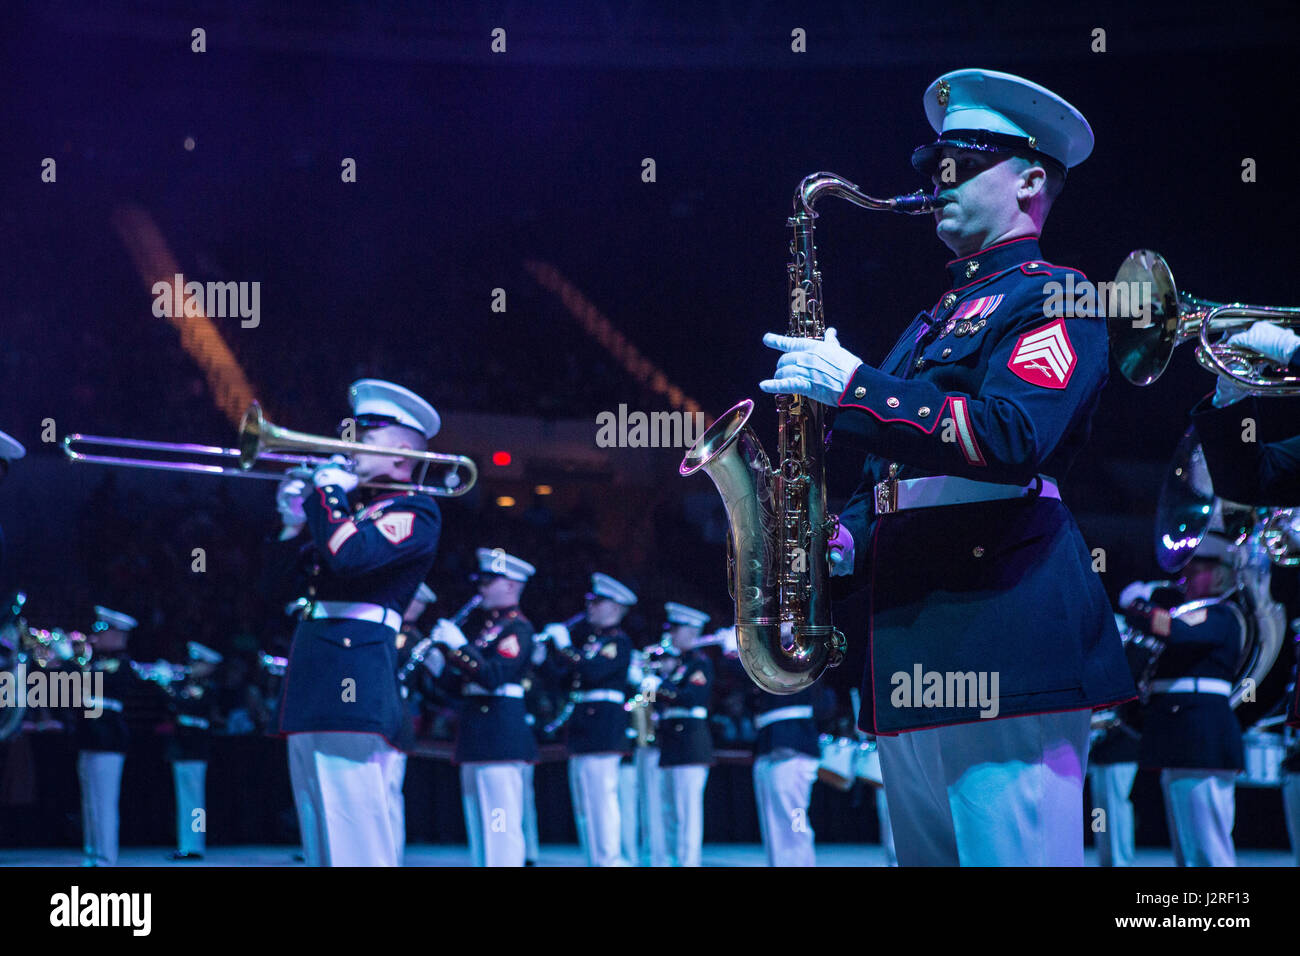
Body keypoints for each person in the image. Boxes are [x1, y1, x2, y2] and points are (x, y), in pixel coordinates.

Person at [760, 68, 1133, 865]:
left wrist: (856, 386)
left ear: (1032, 181)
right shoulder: (931, 320)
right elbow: (884, 482)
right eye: (935, 166)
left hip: (1002, 628)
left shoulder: (1060, 297)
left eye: (962, 165)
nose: (938, 181)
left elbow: (1009, 438)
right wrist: (838, 545)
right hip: (909, 635)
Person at [278, 379, 442, 866]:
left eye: (362, 441)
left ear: (401, 453)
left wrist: (327, 494)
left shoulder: (417, 509)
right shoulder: (355, 509)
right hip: (315, 673)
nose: (347, 447)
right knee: (320, 833)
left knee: (356, 836)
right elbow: (271, 590)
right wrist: (291, 520)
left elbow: (350, 558)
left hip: (354, 674)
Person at [1125, 539, 1245, 867]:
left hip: (1200, 737)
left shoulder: (1222, 614)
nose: (1188, 572)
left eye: (1200, 566)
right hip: (1180, 737)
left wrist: (1138, 606)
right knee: (1189, 853)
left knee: (1208, 852)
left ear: (1222, 575)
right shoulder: (1192, 613)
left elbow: (1174, 632)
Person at [427, 548, 537, 867]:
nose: (482, 588)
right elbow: (463, 685)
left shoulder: (519, 630)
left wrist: (460, 646)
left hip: (500, 735)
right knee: (480, 822)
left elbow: (492, 677)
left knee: (500, 822)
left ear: (512, 586)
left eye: (490, 581)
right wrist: (439, 664)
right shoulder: (488, 629)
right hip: (478, 732)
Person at [541, 573, 637, 866]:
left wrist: (565, 647)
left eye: (599, 602)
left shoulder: (619, 643)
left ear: (617, 608)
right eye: (591, 601)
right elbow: (565, 680)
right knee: (585, 807)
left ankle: (610, 861)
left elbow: (594, 671)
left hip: (603, 731)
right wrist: (543, 655)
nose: (591, 606)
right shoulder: (593, 642)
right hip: (584, 730)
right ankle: (595, 860)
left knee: (601, 803)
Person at [76, 606, 143, 867]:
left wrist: (76, 663)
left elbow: (102, 688)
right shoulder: (96, 663)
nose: (96, 636)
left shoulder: (121, 665)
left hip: (108, 738)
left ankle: (105, 857)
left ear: (118, 635)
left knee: (104, 802)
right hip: (89, 737)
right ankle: (92, 852)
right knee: (90, 802)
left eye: (104, 631)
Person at [654, 602, 714, 867]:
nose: (671, 635)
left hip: (691, 744)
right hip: (671, 744)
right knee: (668, 811)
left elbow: (692, 697)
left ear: (691, 632)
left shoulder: (700, 664)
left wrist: (660, 685)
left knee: (687, 814)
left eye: (676, 629)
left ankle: (689, 863)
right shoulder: (677, 665)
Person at [390, 580, 436, 866]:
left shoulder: (416, 638)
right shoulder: (389, 628)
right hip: (383, 707)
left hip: (398, 711)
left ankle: (390, 855)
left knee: (390, 788)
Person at [168, 641, 223, 861]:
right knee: (185, 799)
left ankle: (195, 844)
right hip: (182, 745)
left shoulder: (207, 687)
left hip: (196, 746)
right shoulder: (185, 684)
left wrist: (168, 686)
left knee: (195, 800)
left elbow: (189, 705)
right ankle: (186, 843)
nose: (192, 665)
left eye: (198, 662)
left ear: (209, 666)